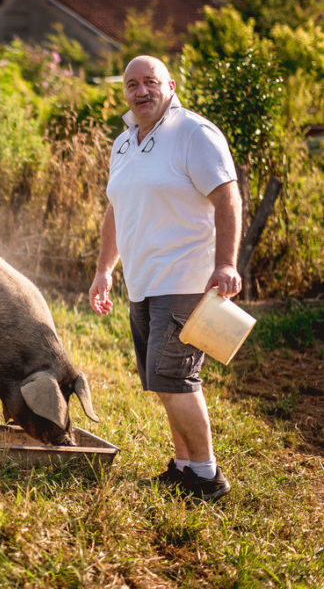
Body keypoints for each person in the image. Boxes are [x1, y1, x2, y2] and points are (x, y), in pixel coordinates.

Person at [89, 55, 242, 501]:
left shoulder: (194, 133)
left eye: (150, 82)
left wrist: (226, 264)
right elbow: (116, 210)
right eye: (132, 84)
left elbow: (228, 199)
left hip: (186, 281)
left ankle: (208, 477)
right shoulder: (123, 143)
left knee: (174, 379)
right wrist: (104, 270)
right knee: (163, 382)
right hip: (143, 283)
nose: (141, 91)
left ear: (170, 86)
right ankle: (184, 466)